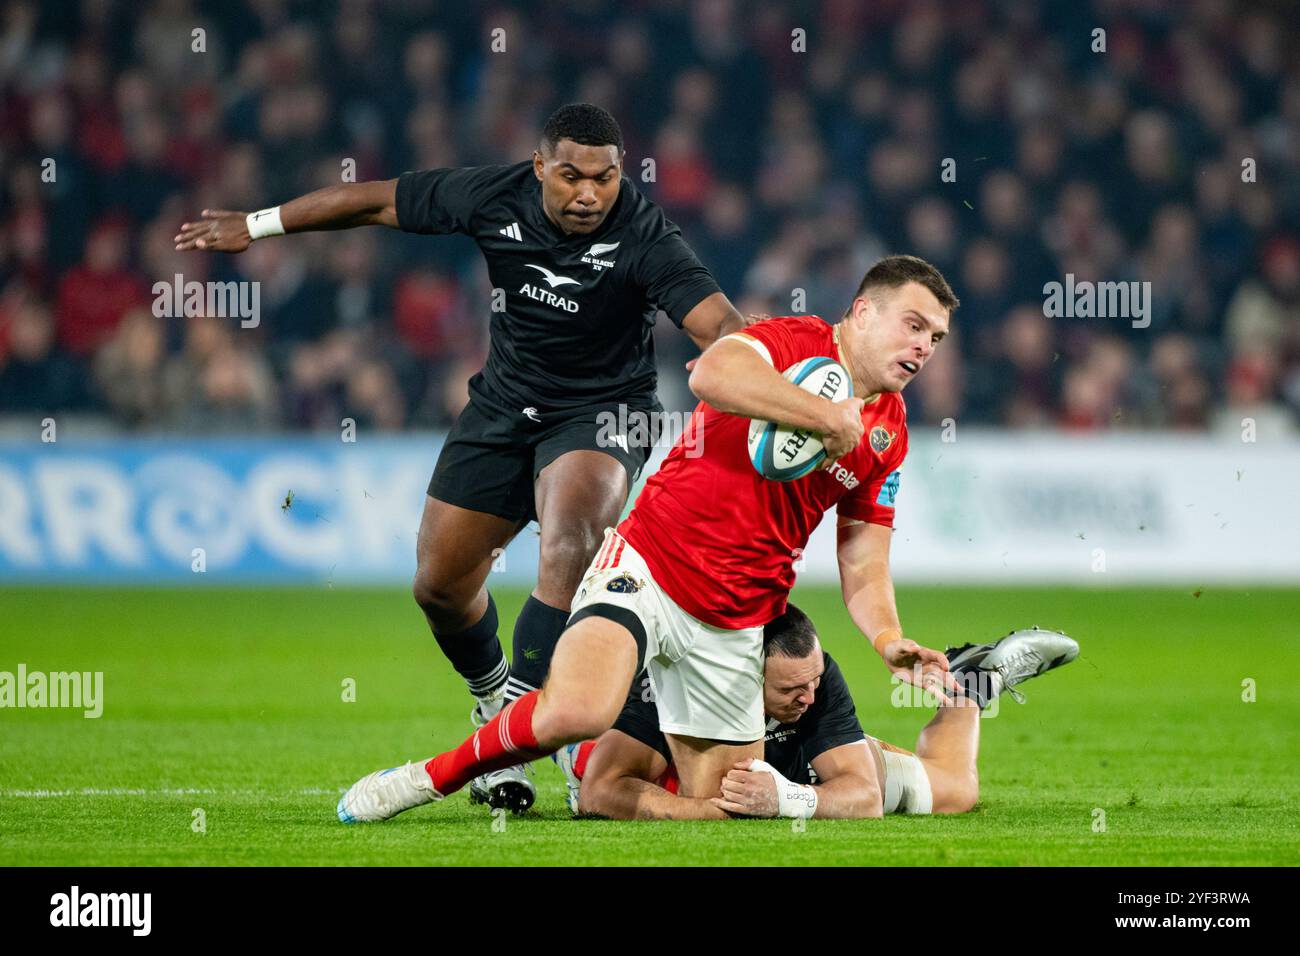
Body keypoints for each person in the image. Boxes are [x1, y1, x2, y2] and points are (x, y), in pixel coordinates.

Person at [176, 104, 746, 811]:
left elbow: (717, 320)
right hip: (503, 407)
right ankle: (492, 703)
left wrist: (747, 366)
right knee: (439, 585)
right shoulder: (491, 195)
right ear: (540, 167)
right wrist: (259, 225)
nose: (589, 194)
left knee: (569, 541)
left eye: (604, 178)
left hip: (604, 412)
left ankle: (513, 730)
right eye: (570, 175)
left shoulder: (646, 234)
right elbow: (377, 200)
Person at [335, 254, 960, 824]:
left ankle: (605, 773)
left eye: (934, 338)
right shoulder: (793, 339)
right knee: (579, 708)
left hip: (738, 618)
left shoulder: (890, 434)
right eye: (913, 325)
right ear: (863, 311)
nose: (923, 346)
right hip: (649, 564)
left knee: (726, 805)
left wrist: (887, 638)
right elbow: (711, 372)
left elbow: (863, 557)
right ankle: (426, 779)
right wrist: (825, 416)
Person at [559, 605, 1079, 820]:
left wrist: (788, 799)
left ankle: (970, 685)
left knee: (957, 791)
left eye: (813, 682)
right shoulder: (677, 681)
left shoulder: (816, 679)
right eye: (790, 690)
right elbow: (600, 790)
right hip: (749, 779)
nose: (808, 699)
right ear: (743, 676)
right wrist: (714, 812)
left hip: (801, 771)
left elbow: (865, 797)